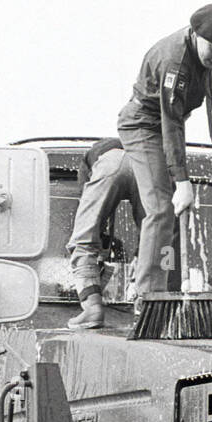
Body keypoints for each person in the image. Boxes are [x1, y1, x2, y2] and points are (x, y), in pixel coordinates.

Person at [117, 3, 212, 308]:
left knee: (172, 216)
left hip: (166, 124)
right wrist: (183, 181)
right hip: (144, 125)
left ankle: (168, 283)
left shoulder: (200, 52)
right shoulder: (174, 62)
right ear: (197, 34)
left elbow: (206, 92)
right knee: (161, 209)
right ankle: (148, 297)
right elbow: (171, 122)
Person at [65, 138, 146, 328]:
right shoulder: (141, 141)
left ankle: (92, 308)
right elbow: (157, 229)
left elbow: (90, 217)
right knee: (156, 240)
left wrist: (97, 249)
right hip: (147, 164)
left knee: (83, 241)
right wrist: (139, 254)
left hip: (110, 164)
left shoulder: (91, 158)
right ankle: (147, 306)